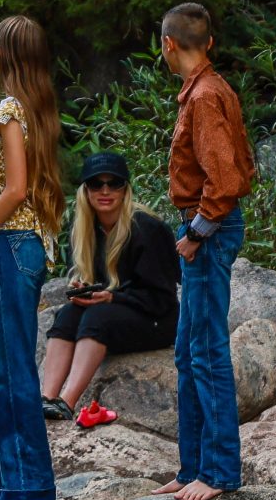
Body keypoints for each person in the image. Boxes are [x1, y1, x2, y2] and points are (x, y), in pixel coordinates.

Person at [160, 1, 256, 500]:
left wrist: (196, 233)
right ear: (210, 42)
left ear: (168, 45)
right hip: (204, 226)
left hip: (209, 229)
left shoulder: (205, 97)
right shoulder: (205, 91)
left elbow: (227, 179)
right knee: (186, 350)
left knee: (207, 350)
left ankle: (219, 472)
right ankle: (192, 464)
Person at [0, 15, 63, 500]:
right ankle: (31, 486)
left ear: (2, 54)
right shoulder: (37, 107)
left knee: (8, 373)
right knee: (15, 368)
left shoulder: (9, 109)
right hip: (29, 246)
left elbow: (15, 189)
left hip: (9, 242)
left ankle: (21, 488)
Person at [40, 152, 180, 425]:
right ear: (86, 191)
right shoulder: (86, 228)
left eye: (113, 183)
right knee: (67, 315)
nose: (105, 191)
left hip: (157, 320)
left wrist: (112, 296)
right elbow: (104, 286)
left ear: (125, 189)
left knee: (97, 317)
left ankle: (66, 403)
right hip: (119, 313)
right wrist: (85, 289)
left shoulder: (147, 228)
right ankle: (47, 399)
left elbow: (161, 298)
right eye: (96, 184)